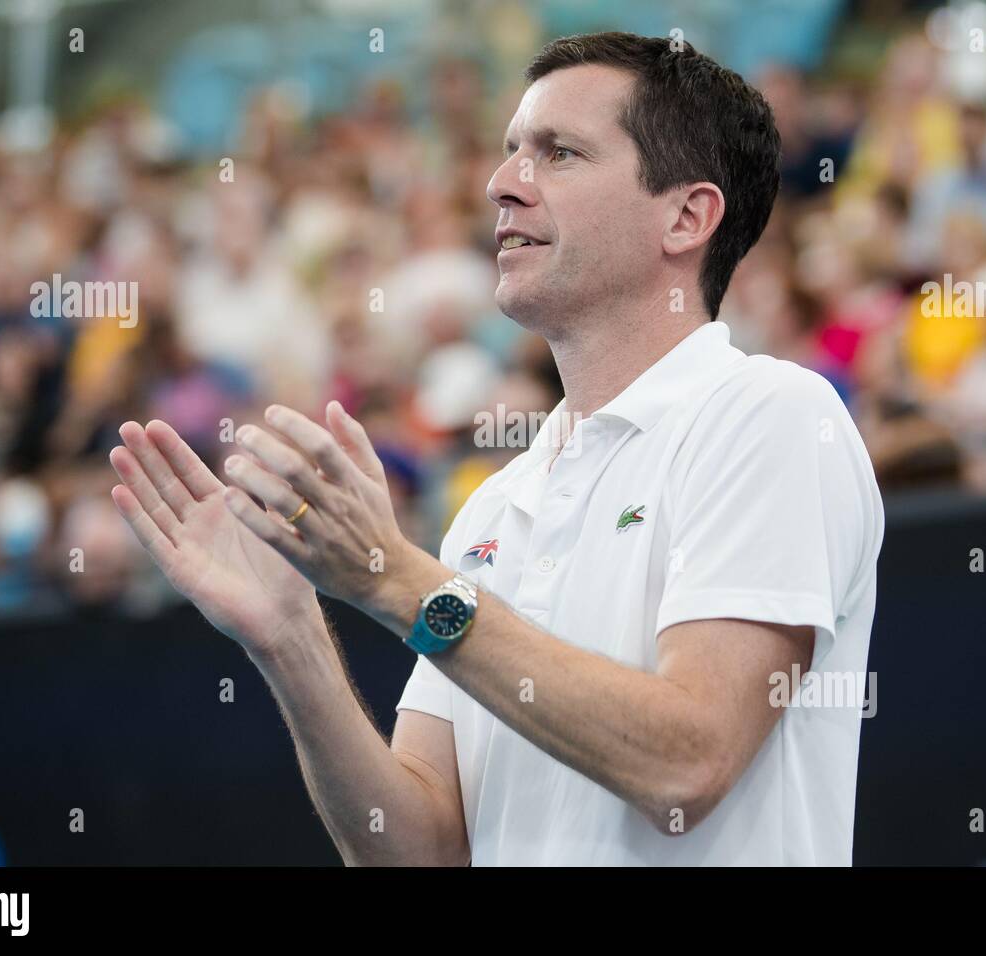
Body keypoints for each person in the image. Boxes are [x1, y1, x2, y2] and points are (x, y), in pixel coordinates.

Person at [109, 32, 884, 865]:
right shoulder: (493, 504)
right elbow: (423, 850)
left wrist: (395, 578)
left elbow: (689, 759)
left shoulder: (770, 414)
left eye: (560, 153)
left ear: (687, 216)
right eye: (512, 150)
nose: (501, 184)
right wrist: (293, 639)